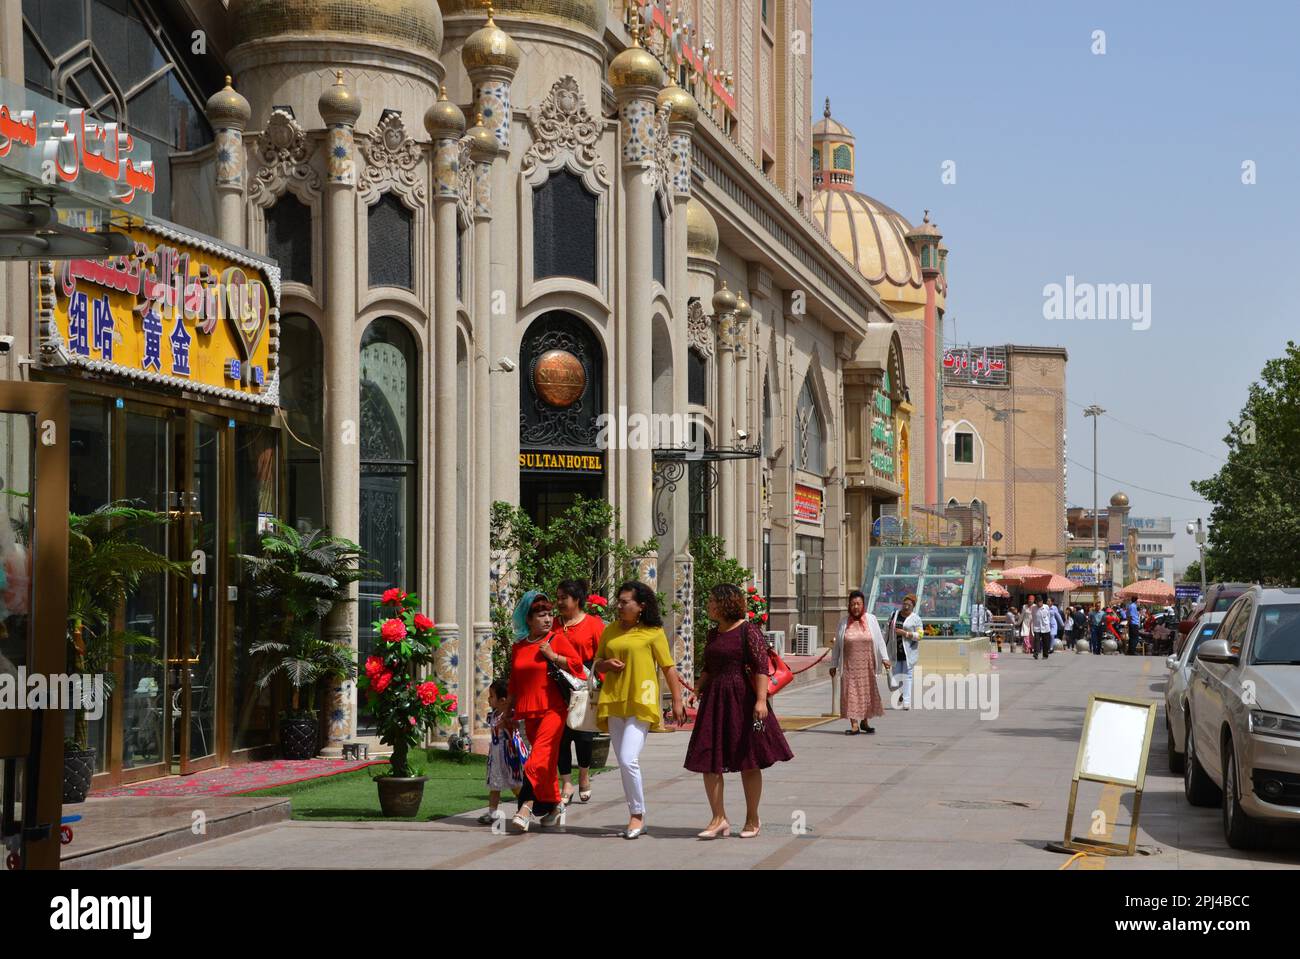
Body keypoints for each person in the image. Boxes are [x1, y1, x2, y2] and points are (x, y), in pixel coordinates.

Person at [684, 584, 794, 839]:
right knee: (709, 758)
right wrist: (697, 688)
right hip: (714, 701)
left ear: (725, 603)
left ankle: (752, 818)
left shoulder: (748, 631)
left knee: (749, 759)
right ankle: (718, 818)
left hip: (743, 701)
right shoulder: (713, 634)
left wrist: (760, 701)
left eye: (712, 600)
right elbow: (709, 667)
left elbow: (760, 668)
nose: (709, 605)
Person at [592, 581, 688, 839]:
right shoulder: (610, 630)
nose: (619, 606)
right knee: (624, 762)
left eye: (625, 602)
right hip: (613, 701)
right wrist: (606, 665)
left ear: (641, 606)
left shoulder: (653, 632)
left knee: (627, 759)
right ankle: (636, 814)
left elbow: (668, 668)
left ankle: (637, 815)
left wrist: (677, 701)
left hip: (642, 701)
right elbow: (596, 663)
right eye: (619, 601)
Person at [500, 591, 587, 833]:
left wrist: (553, 656)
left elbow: (578, 666)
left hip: (554, 709)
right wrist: (507, 711)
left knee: (537, 759)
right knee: (546, 763)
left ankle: (525, 808)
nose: (548, 619)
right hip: (529, 711)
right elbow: (515, 683)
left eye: (550, 614)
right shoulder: (519, 647)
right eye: (541, 615)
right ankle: (554, 808)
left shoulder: (555, 639)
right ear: (528, 619)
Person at [554, 578, 605, 805]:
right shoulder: (553, 623)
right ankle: (566, 782)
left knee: (584, 735)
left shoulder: (593, 624)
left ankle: (584, 775)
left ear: (577, 600)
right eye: (558, 598)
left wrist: (603, 684)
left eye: (564, 598)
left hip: (584, 684)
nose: (560, 602)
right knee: (560, 737)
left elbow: (602, 657)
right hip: (557, 686)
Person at [829, 589, 891, 734]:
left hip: (867, 665)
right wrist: (833, 664)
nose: (856, 607)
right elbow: (837, 645)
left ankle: (865, 722)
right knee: (851, 694)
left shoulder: (871, 620)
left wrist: (885, 658)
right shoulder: (843, 623)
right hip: (849, 666)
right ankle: (854, 724)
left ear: (863, 605)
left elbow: (880, 640)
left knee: (866, 693)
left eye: (858, 604)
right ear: (849, 606)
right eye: (853, 604)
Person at [480, 679, 520, 824]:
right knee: (494, 786)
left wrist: (509, 723)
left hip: (509, 756)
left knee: (515, 785)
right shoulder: (493, 715)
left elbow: (515, 732)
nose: (489, 699)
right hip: (495, 757)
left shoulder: (510, 716)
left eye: (491, 696)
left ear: (503, 700)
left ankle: (525, 807)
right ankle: (493, 812)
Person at [886, 594, 923, 708]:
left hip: (908, 652)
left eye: (909, 605)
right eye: (905, 604)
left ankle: (906, 701)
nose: (906, 607)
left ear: (913, 606)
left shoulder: (916, 618)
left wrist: (906, 633)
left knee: (907, 676)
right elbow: (886, 631)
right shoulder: (894, 615)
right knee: (897, 678)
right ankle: (901, 693)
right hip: (895, 651)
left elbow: (920, 635)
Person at [1033, 595, 1052, 659]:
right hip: (1037, 627)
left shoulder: (1046, 607)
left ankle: (1045, 655)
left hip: (1045, 627)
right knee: (1036, 641)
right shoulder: (1034, 608)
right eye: (1037, 602)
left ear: (1042, 602)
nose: (1038, 603)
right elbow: (1033, 617)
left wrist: (1047, 623)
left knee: (1045, 642)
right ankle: (1036, 653)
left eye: (1040, 602)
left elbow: (1048, 616)